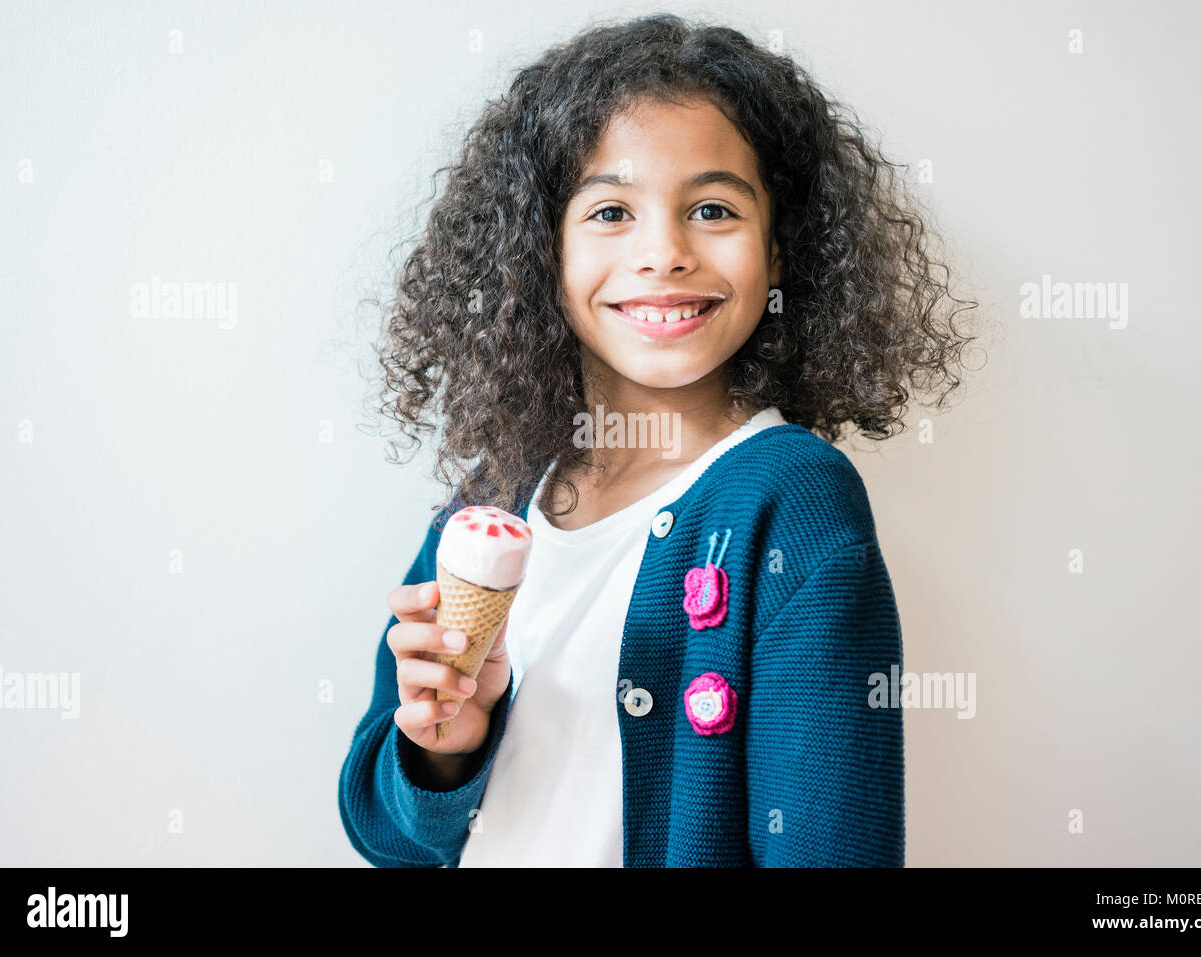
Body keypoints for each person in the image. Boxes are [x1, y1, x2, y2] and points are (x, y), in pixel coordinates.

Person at [339, 13, 978, 867]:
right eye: (610, 210)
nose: (663, 253)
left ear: (779, 251)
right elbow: (388, 834)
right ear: (544, 252)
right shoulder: (493, 499)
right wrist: (441, 746)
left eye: (712, 208)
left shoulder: (792, 501)